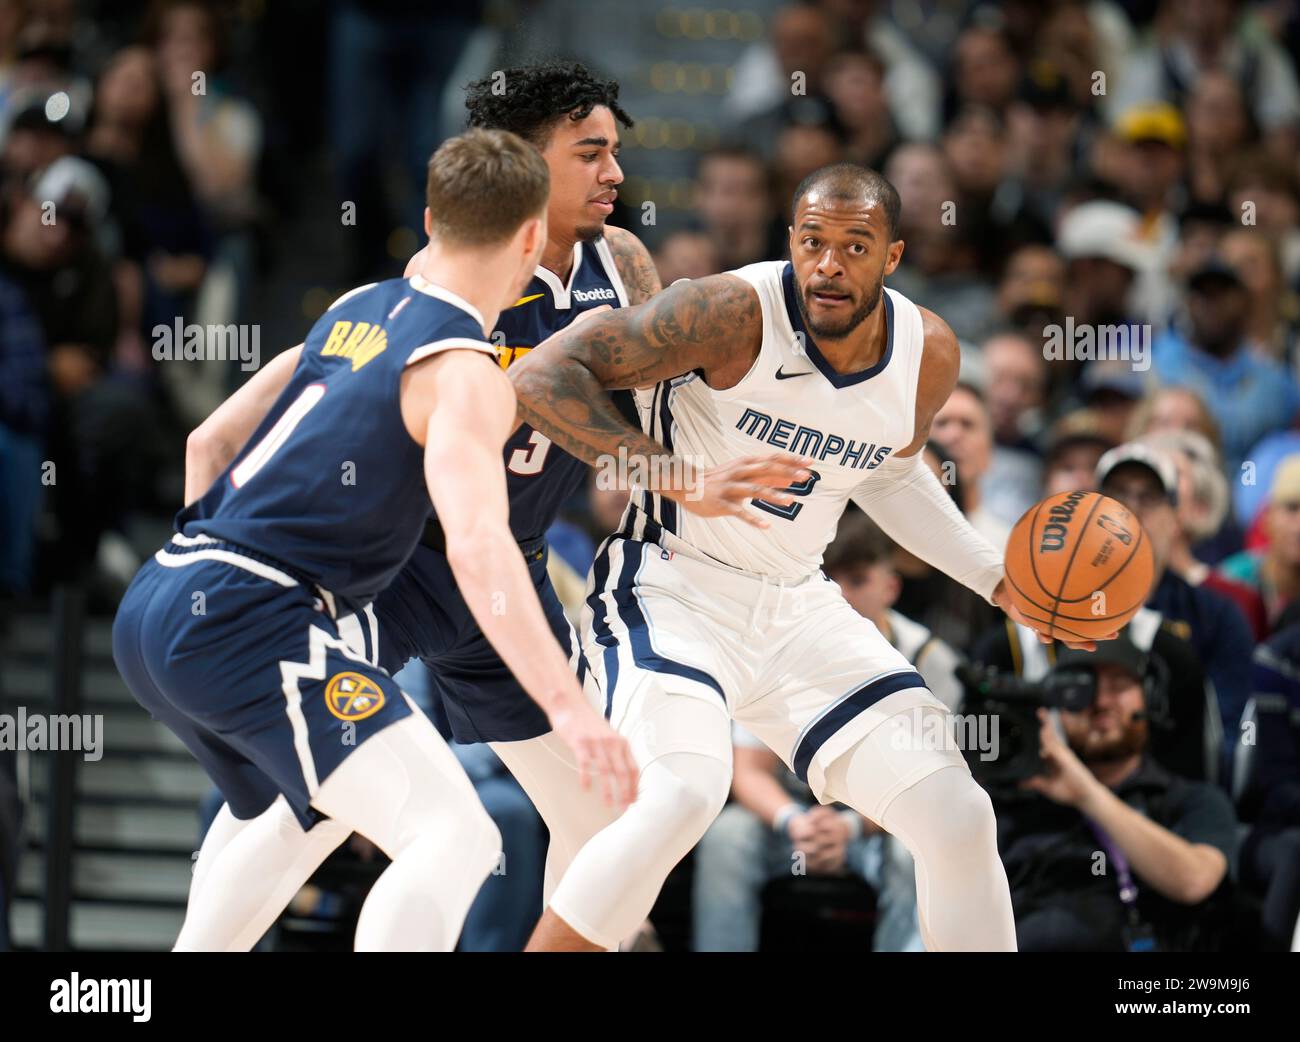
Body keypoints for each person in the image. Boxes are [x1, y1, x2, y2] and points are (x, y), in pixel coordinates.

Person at [510, 162, 1114, 952]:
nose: (827, 265)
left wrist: (994, 576)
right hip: (669, 587)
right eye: (811, 242)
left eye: (854, 246)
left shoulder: (925, 351)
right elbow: (542, 375)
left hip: (798, 604)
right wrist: (672, 474)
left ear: (892, 257)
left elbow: (891, 474)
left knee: (957, 814)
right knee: (684, 795)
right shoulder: (729, 312)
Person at [111, 128, 637, 952]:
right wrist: (571, 708)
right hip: (256, 617)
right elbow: (477, 548)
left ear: (430, 219)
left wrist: (207, 580)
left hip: (160, 597)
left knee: (295, 814)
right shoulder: (467, 375)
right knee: (457, 838)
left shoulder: (352, 310)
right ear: (532, 236)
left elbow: (204, 444)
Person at [995, 638, 1237, 952]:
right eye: (1081, 688)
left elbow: (1195, 880)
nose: (1101, 702)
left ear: (1149, 698)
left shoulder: (1193, 801)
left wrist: (1087, 794)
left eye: (1119, 686)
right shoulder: (1017, 801)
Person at [1096, 442, 1255, 753]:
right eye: (1117, 493)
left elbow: (1225, 737)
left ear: (1175, 517)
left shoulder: (1216, 616)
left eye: (1149, 497)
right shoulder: (1056, 607)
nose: (1131, 507)